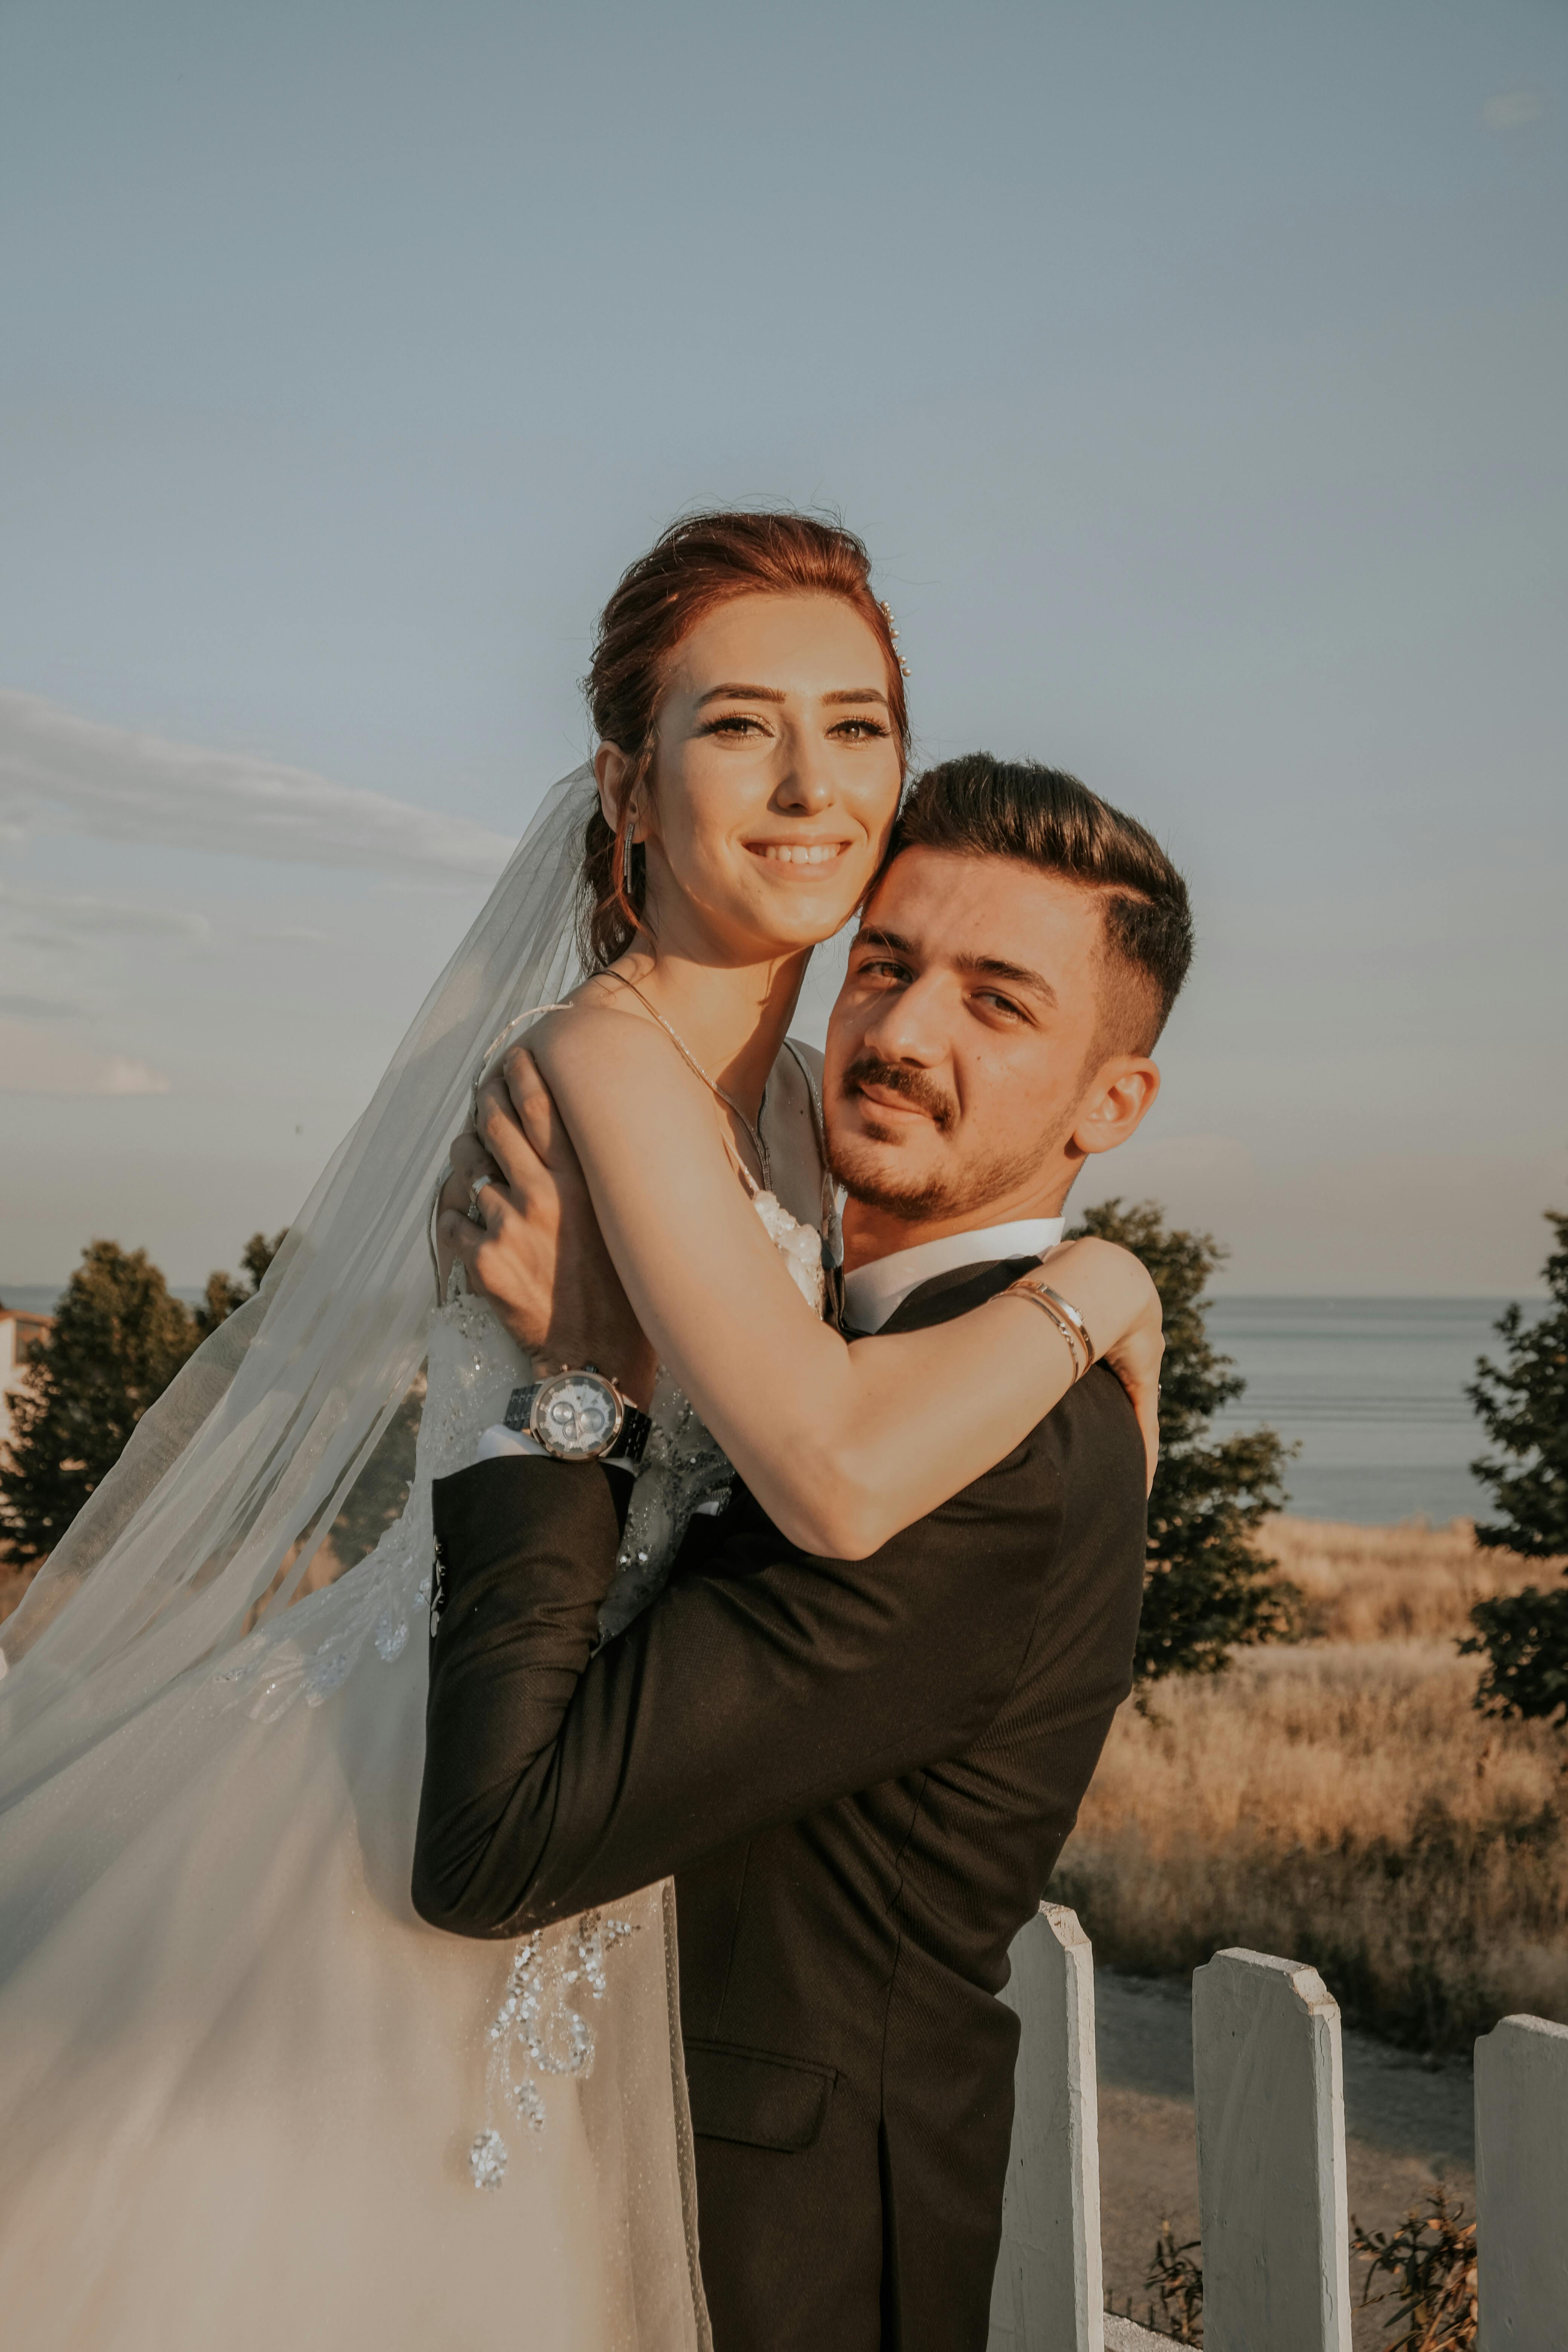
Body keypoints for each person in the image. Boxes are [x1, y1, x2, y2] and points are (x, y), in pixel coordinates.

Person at [0, 512, 1160, 2351]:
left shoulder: (798, 1101)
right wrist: (1101, 1295)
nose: (810, 784)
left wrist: (1093, 1300)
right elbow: (834, 1464)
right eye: (736, 728)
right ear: (626, 783)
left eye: (856, 727)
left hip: (611, 1824)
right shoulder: (600, 1062)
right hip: (425, 1791)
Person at [416, 750, 1193, 2350]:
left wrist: (579, 1382)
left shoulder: (992, 1465)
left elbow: (500, 1842)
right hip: (576, 2174)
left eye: (997, 1003)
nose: (900, 1033)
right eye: (887, 966)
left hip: (778, 2253)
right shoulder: (816, 1363)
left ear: (1108, 1102)